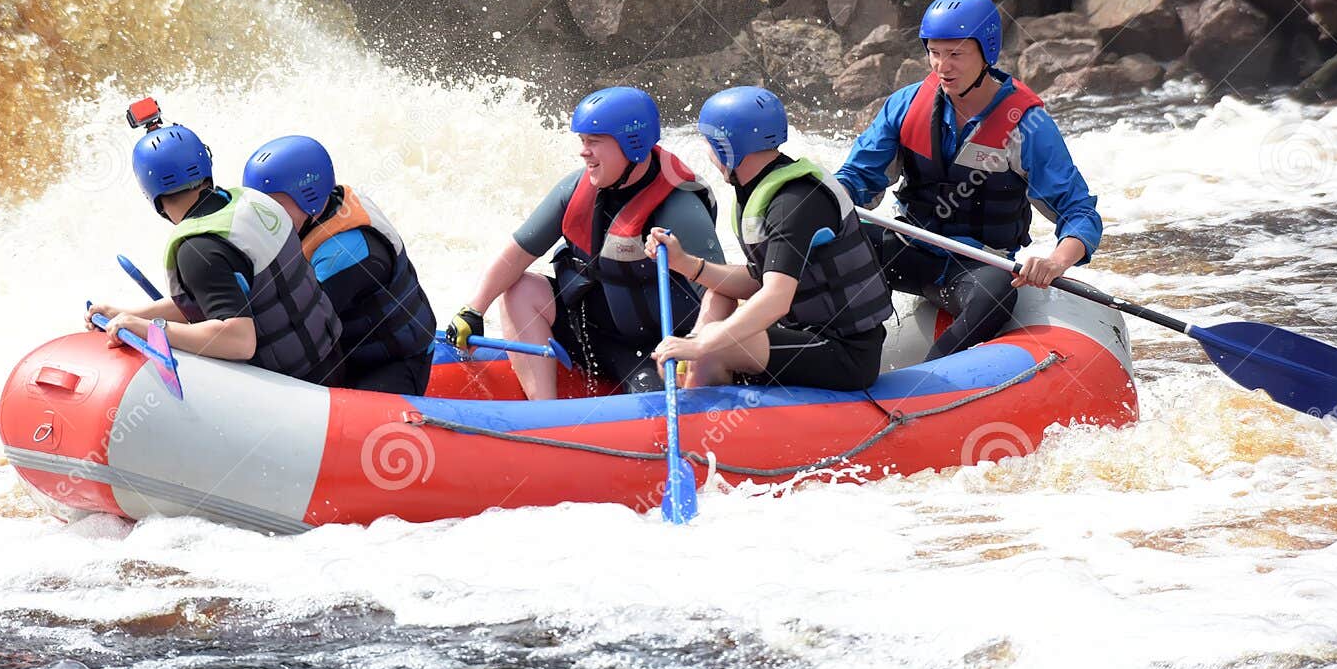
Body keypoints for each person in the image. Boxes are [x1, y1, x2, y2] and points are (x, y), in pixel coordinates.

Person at [834, 0, 1103, 359]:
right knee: (831, 239)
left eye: (956, 54)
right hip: (909, 250)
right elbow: (856, 180)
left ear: (986, 53)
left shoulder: (1026, 124)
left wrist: (1055, 262)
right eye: (935, 52)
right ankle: (818, 352)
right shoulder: (907, 105)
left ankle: (926, 383)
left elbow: (1079, 213)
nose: (943, 67)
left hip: (975, 267)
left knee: (997, 293)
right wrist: (819, 205)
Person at [447, 86, 724, 399]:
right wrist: (473, 310)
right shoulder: (574, 189)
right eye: (582, 141)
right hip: (589, 335)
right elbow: (516, 256)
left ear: (632, 145)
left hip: (654, 351)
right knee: (520, 288)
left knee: (652, 396)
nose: (583, 151)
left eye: (594, 141)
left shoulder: (679, 206)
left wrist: (697, 343)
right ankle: (546, 416)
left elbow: (721, 288)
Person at [648, 87, 893, 391]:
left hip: (844, 352)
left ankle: (704, 414)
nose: (709, 156)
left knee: (710, 353)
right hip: (801, 333)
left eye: (710, 145)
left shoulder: (795, 202)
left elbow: (776, 298)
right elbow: (759, 280)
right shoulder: (763, 187)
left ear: (728, 148)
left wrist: (704, 346)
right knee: (718, 292)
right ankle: (698, 380)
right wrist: (685, 263)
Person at [88, 98, 344, 385]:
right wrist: (126, 314)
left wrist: (150, 330)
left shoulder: (195, 250)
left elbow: (238, 340)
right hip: (334, 358)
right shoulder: (253, 200)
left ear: (150, 192)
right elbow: (212, 297)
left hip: (296, 387)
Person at [243, 135, 437, 396]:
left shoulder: (345, 254)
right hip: (347, 352)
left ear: (308, 197)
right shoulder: (316, 214)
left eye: (273, 205)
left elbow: (294, 325)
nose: (263, 216)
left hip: (392, 364)